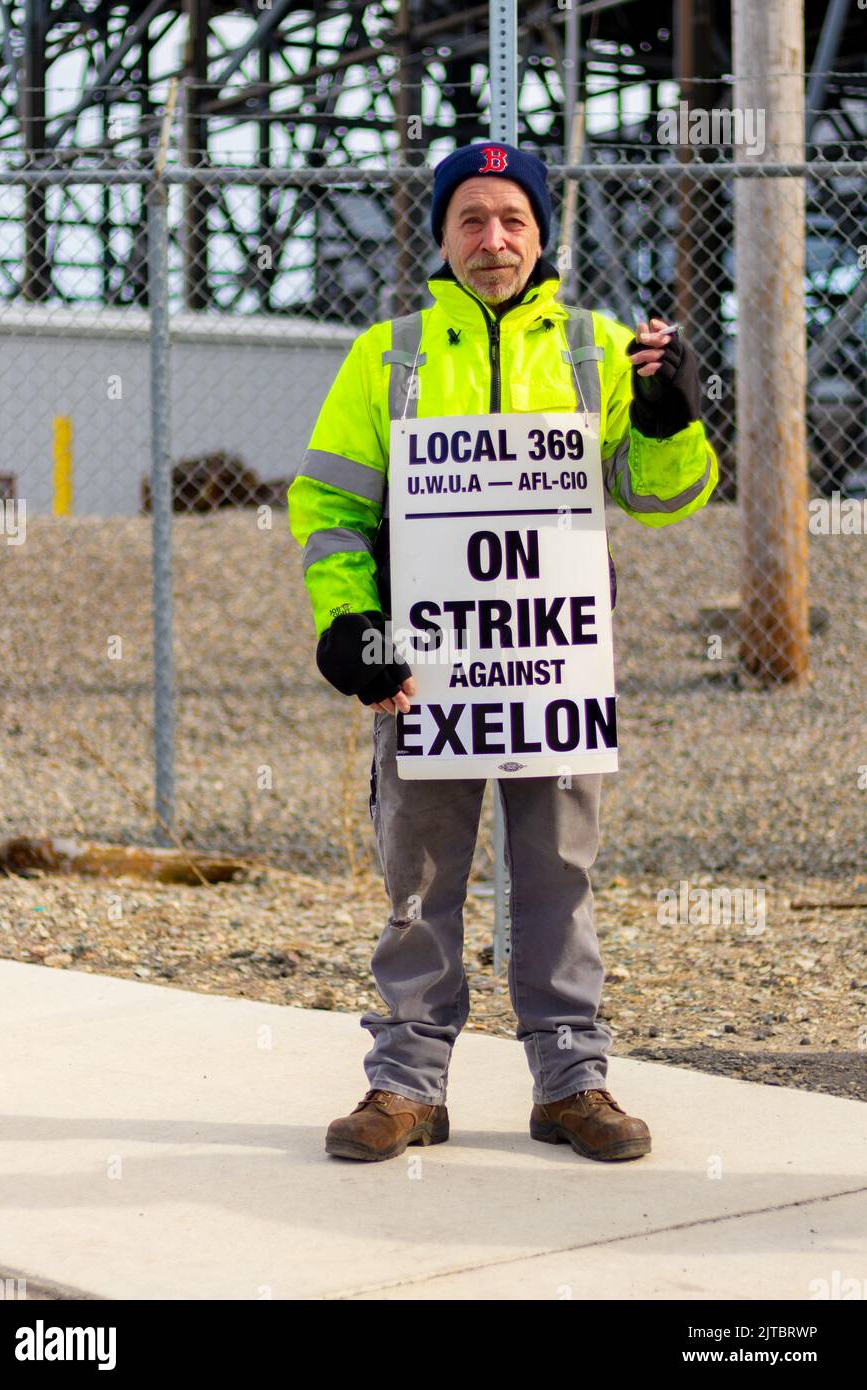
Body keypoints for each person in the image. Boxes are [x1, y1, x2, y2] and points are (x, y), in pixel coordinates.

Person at [287, 141, 718, 1164]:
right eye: (471, 219)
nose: (493, 240)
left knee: (556, 871)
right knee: (418, 875)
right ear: (440, 235)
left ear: (540, 234)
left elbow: (660, 496)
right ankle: (405, 1084)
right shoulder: (386, 356)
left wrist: (668, 417)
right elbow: (332, 506)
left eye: (512, 220)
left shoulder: (596, 349)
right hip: (421, 670)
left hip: (551, 671)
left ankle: (571, 1081)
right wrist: (349, 625)